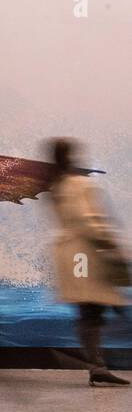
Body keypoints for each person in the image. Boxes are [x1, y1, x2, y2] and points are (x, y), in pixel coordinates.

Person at [45, 138, 130, 387]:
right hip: (84, 255)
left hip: (69, 255)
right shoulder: (80, 184)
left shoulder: (56, 186)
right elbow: (88, 221)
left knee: (89, 309)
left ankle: (96, 364)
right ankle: (97, 365)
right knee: (93, 308)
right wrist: (110, 242)